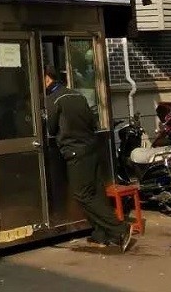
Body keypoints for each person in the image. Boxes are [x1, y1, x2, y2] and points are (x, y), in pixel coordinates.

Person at [44, 64, 134, 252]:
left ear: (46, 78)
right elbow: (92, 121)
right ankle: (101, 234)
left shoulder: (54, 99)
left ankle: (119, 228)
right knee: (96, 192)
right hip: (92, 148)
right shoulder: (77, 95)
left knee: (82, 194)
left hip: (75, 152)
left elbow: (51, 129)